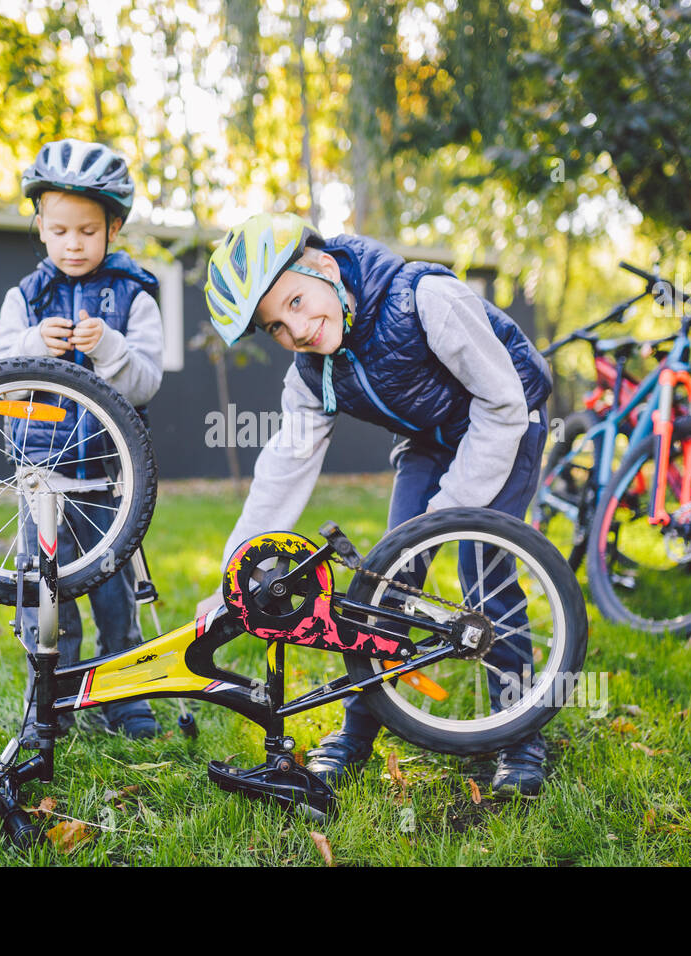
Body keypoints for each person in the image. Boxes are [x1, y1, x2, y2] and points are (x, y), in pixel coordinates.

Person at [197, 213, 553, 794]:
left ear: (326, 269)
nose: (298, 329)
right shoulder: (310, 375)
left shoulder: (425, 300)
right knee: (385, 581)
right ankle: (358, 730)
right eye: (277, 327)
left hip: (506, 421)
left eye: (296, 300)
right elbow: (281, 474)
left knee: (482, 567)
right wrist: (234, 575)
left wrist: (447, 512)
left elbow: (502, 404)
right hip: (429, 440)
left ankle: (519, 736)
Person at [0, 138, 163, 739]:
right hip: (39, 469)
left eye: (88, 230)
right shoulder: (25, 297)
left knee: (112, 577)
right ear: (39, 226)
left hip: (109, 466)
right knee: (44, 582)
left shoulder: (136, 295)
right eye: (60, 230)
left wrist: (109, 347)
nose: (74, 244)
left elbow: (145, 382)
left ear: (113, 226)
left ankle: (124, 694)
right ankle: (50, 694)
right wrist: (33, 344)